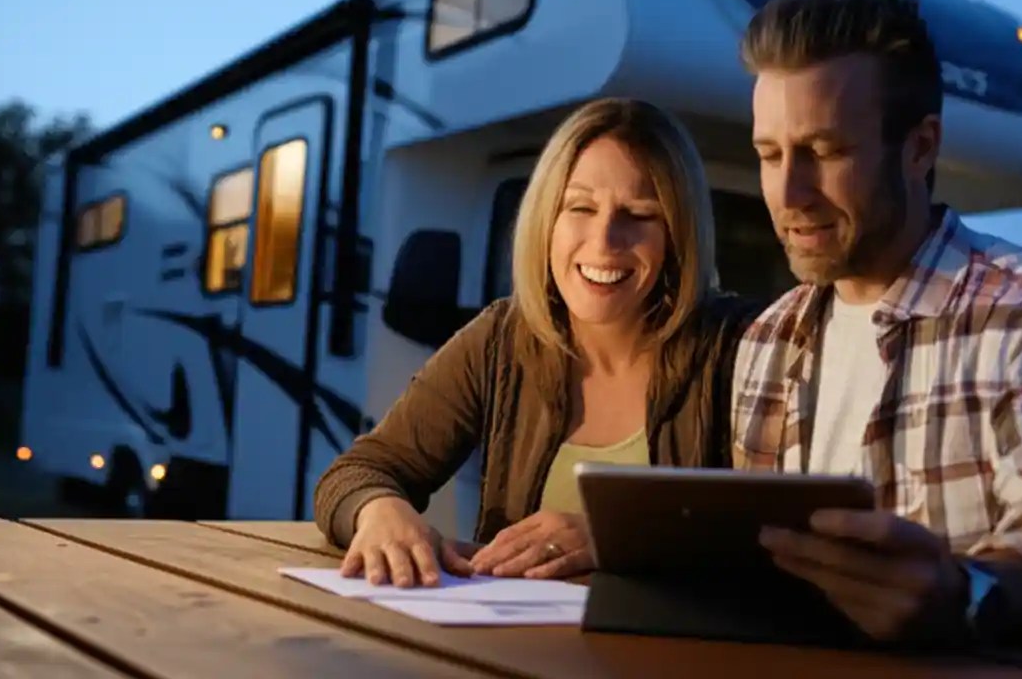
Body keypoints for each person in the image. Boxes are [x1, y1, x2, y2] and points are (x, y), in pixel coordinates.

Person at [730, 0, 1022, 649]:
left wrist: (967, 593)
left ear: (920, 147)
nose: (789, 193)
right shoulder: (767, 339)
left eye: (825, 151)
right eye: (770, 155)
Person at [313, 97, 758, 587]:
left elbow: (779, 534)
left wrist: (613, 537)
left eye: (639, 214)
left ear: (679, 235)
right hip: (510, 653)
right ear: (546, 219)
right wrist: (380, 511)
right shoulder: (502, 340)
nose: (605, 239)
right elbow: (357, 471)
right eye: (580, 207)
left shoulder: (736, 346)